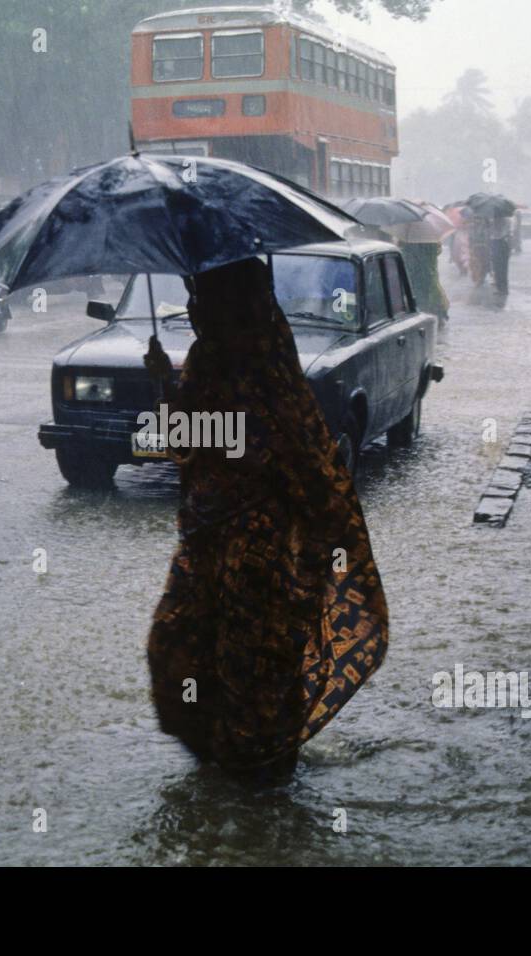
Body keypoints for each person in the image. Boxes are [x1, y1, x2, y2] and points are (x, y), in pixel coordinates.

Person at [142, 257, 389, 777]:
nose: (192, 307)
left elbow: (283, 451)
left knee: (254, 663)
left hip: (261, 549)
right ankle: (219, 762)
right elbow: (185, 442)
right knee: (178, 642)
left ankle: (262, 779)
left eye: (201, 296)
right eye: (190, 296)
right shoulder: (206, 357)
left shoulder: (264, 362)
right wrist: (167, 386)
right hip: (206, 539)